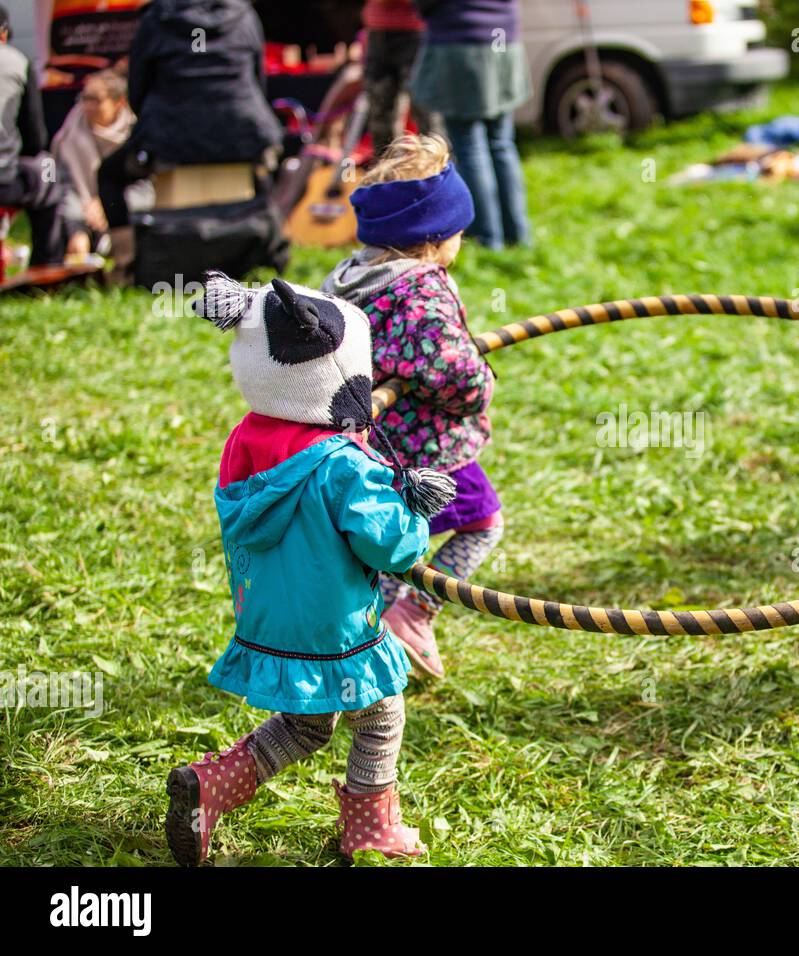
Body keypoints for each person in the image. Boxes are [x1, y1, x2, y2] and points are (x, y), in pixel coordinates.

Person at [166, 273, 455, 866]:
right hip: (336, 625)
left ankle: (210, 787)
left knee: (308, 724)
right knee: (381, 713)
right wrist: (416, 511)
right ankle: (370, 832)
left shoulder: (244, 439)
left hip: (267, 619)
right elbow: (393, 548)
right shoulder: (345, 465)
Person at [323, 134, 502, 680]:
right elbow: (451, 369)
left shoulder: (350, 275)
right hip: (428, 451)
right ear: (433, 238)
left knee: (400, 537)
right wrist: (479, 381)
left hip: (374, 447)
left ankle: (373, 629)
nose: (461, 241)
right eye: (458, 232)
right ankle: (415, 615)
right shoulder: (419, 293)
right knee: (483, 521)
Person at [97, 0, 282, 233]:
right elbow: (258, 85)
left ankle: (126, 259)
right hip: (241, 134)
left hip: (169, 139)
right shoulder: (244, 15)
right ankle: (267, 245)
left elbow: (138, 91)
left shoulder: (155, 18)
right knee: (263, 178)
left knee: (108, 176)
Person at [410, 0, 530, 249]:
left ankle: (487, 240)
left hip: (462, 41)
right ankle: (517, 236)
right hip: (503, 39)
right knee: (502, 143)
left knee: (469, 146)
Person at [51, 68, 152, 258]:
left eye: (96, 100)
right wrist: (77, 229)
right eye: (84, 98)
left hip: (128, 218)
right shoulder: (70, 136)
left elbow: (147, 190)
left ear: (119, 102)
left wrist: (108, 204)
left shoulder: (137, 135)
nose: (88, 106)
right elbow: (64, 187)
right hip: (80, 216)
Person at [0, 3, 68, 266]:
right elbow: (35, 139)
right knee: (48, 172)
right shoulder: (16, 61)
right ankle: (46, 268)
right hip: (5, 182)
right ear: (4, 34)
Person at [361, 0, 430, 156]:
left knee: (427, 117)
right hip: (377, 32)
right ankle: (389, 177)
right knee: (380, 122)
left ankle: (436, 177)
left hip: (417, 33)